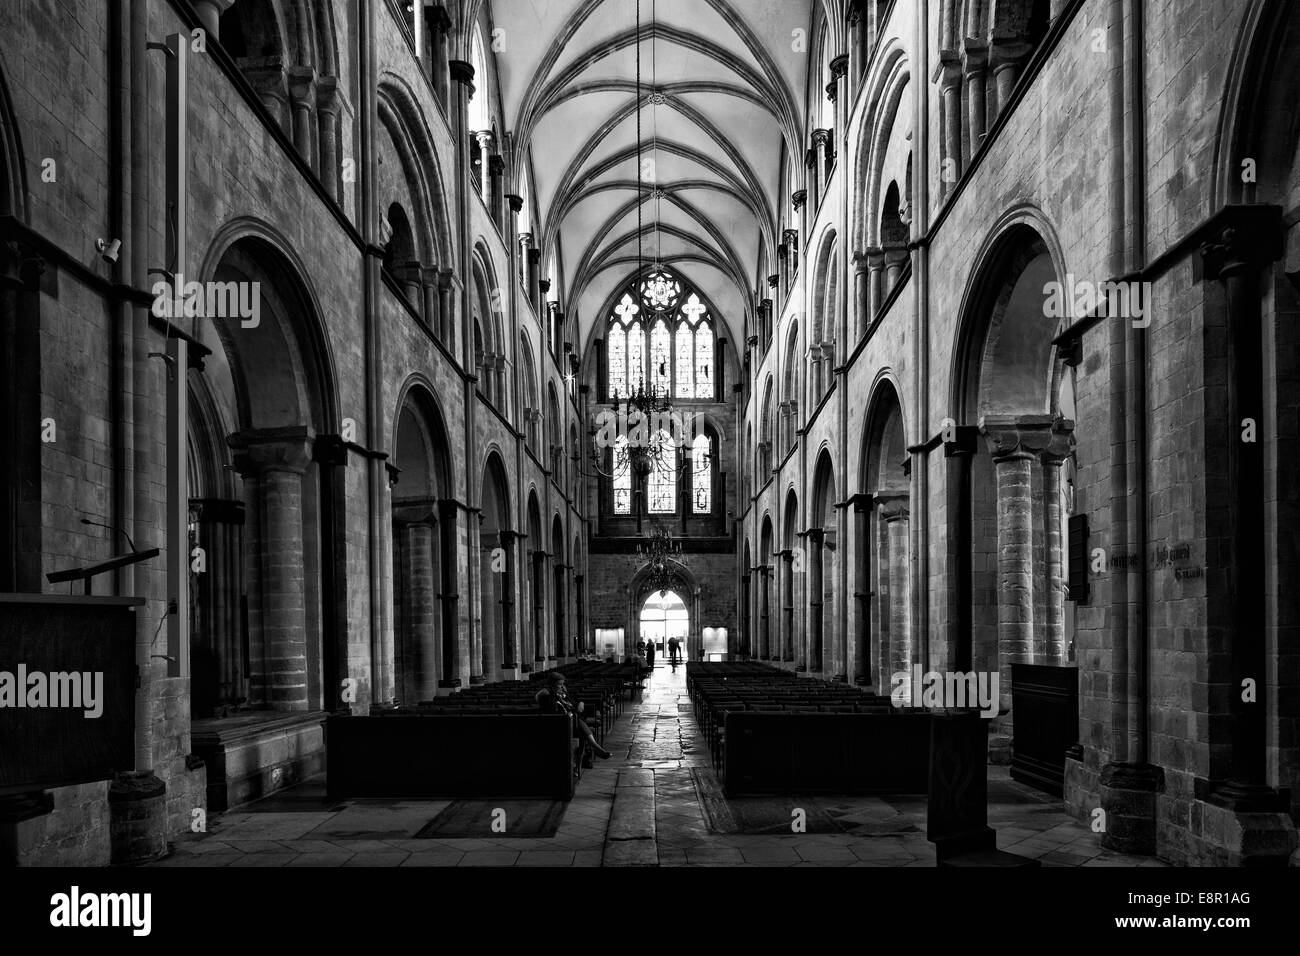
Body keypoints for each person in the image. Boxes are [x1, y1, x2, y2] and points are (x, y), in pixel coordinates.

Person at [535, 671, 611, 767]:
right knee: (580, 725)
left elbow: (574, 704)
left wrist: (580, 703)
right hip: (560, 724)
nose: (562, 687)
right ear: (552, 685)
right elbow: (553, 712)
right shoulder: (547, 697)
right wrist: (559, 699)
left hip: (572, 722)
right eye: (560, 684)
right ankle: (593, 748)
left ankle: (584, 759)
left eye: (563, 684)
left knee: (581, 729)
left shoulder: (563, 694)